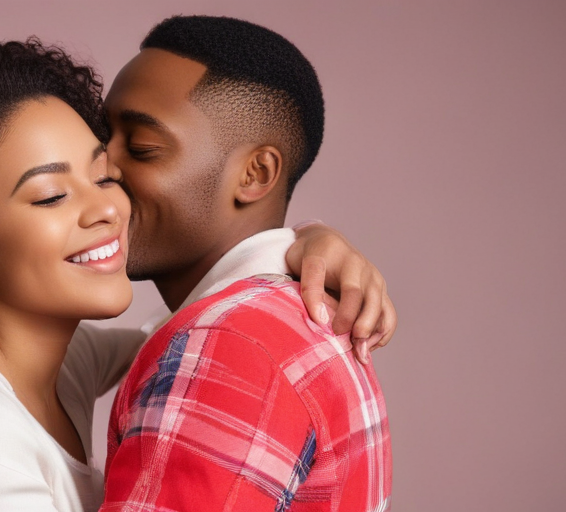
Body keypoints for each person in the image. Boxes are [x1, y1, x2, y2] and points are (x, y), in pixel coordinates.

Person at [0, 40, 390, 512]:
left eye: (102, 176)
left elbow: (195, 337)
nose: (108, 206)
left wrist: (296, 243)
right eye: (49, 196)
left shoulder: (54, 365)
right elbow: (210, 347)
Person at [100, 16, 391, 511]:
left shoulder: (228, 344)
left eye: (142, 148)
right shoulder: (265, 323)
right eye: (101, 138)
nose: (102, 167)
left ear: (255, 174)